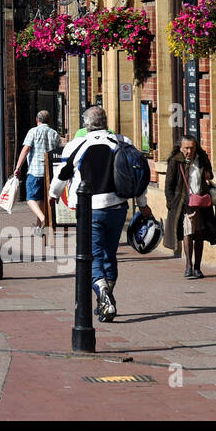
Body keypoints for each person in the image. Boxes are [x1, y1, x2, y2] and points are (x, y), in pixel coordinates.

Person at [57, 105, 154, 322]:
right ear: (106, 121)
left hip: (90, 209)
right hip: (118, 207)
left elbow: (60, 177)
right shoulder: (123, 141)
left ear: (86, 124)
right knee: (110, 254)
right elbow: (135, 174)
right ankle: (106, 299)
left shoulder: (77, 145)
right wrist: (142, 204)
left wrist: (53, 195)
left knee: (92, 255)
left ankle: (104, 296)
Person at [163, 134, 216, 278]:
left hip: (202, 202)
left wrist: (208, 174)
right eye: (186, 148)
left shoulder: (201, 158)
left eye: (192, 148)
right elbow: (169, 185)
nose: (189, 151)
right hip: (185, 203)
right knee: (188, 232)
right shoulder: (176, 161)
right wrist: (171, 204)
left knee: (199, 234)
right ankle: (188, 265)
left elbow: (210, 174)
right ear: (181, 148)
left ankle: (198, 267)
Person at [13, 110, 62, 229]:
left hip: (35, 171)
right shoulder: (54, 133)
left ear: (37, 120)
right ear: (49, 120)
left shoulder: (33, 131)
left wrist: (18, 167)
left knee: (30, 199)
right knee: (43, 201)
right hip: (49, 173)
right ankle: (39, 228)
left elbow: (26, 149)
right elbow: (59, 152)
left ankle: (43, 218)